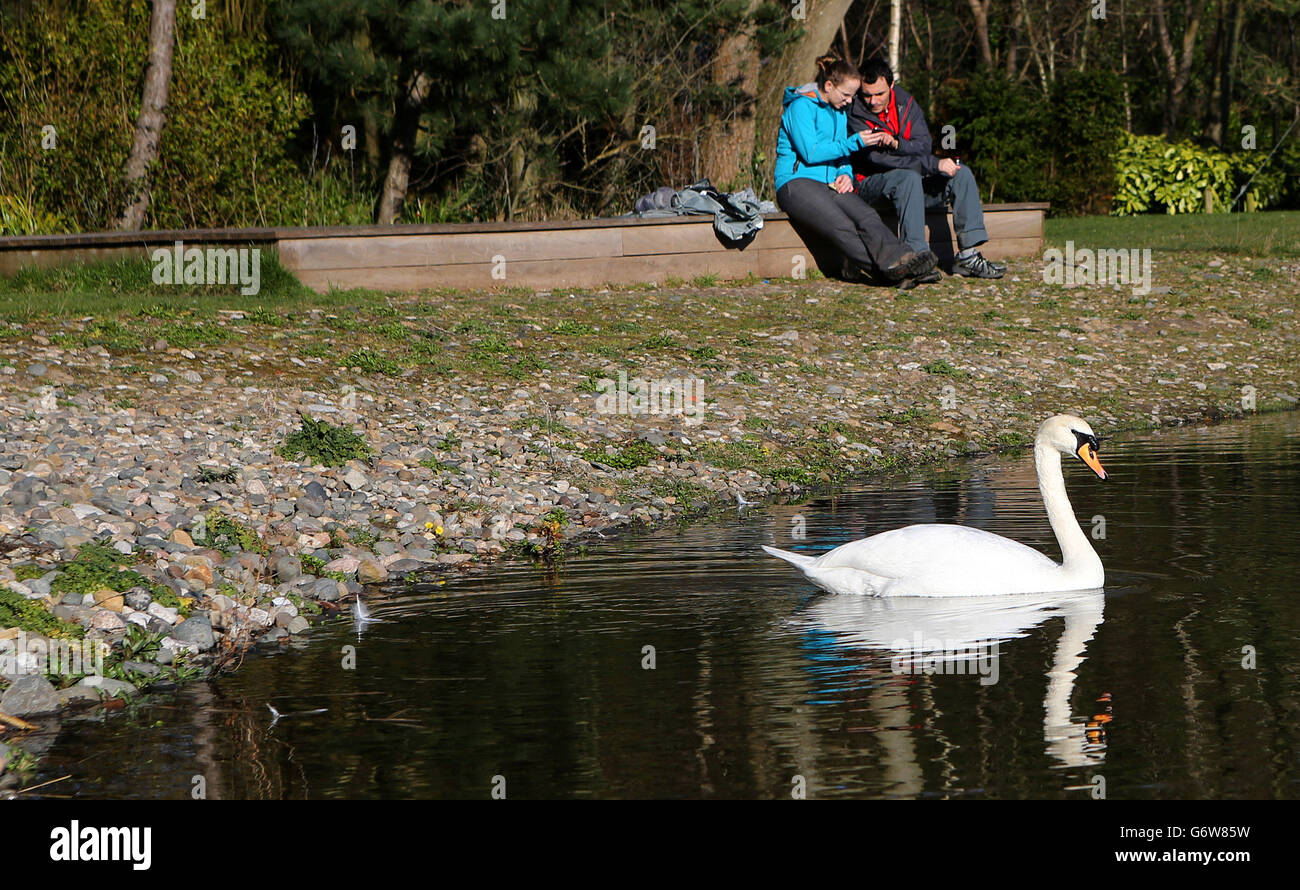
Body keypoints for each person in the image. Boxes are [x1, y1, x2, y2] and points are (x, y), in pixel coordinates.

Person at [774, 55, 937, 287]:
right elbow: (811, 152)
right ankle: (886, 273)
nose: (851, 101)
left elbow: (842, 155)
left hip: (830, 183)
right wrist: (855, 142)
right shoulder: (800, 108)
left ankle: (905, 260)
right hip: (797, 183)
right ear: (829, 86)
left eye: (852, 96)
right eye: (846, 95)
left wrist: (844, 172)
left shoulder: (839, 112)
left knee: (867, 216)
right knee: (841, 225)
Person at [847, 58, 1005, 279]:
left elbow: (923, 145)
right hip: (870, 187)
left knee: (961, 173)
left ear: (891, 86)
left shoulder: (907, 103)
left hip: (909, 187)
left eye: (879, 94)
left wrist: (897, 143)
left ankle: (968, 256)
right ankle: (916, 258)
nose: (872, 101)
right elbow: (878, 160)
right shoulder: (854, 113)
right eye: (867, 95)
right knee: (908, 177)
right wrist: (932, 163)